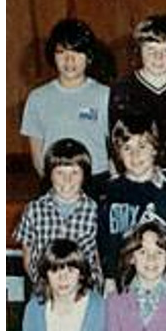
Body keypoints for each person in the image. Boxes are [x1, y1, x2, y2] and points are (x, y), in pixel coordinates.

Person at [97, 114, 166, 291]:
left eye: (142, 146)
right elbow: (103, 242)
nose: (135, 155)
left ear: (154, 148)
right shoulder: (110, 192)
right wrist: (108, 279)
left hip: (161, 286)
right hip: (120, 288)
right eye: (127, 148)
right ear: (118, 153)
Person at [110, 14, 166, 198]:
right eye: (151, 50)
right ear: (139, 50)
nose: (159, 58)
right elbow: (115, 140)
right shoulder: (123, 88)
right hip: (140, 177)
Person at [20, 18, 112, 197]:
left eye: (77, 52)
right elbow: (37, 154)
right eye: (62, 52)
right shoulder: (37, 98)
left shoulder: (105, 95)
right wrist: (55, 182)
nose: (69, 60)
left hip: (96, 183)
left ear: (89, 56)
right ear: (53, 56)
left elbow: (117, 146)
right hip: (55, 184)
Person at [13, 138, 102, 289]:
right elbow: (27, 255)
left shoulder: (94, 210)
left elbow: (96, 254)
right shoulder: (34, 210)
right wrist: (39, 284)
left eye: (75, 172)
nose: (67, 180)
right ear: (49, 175)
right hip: (46, 289)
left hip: (83, 290)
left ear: (84, 175)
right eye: (60, 172)